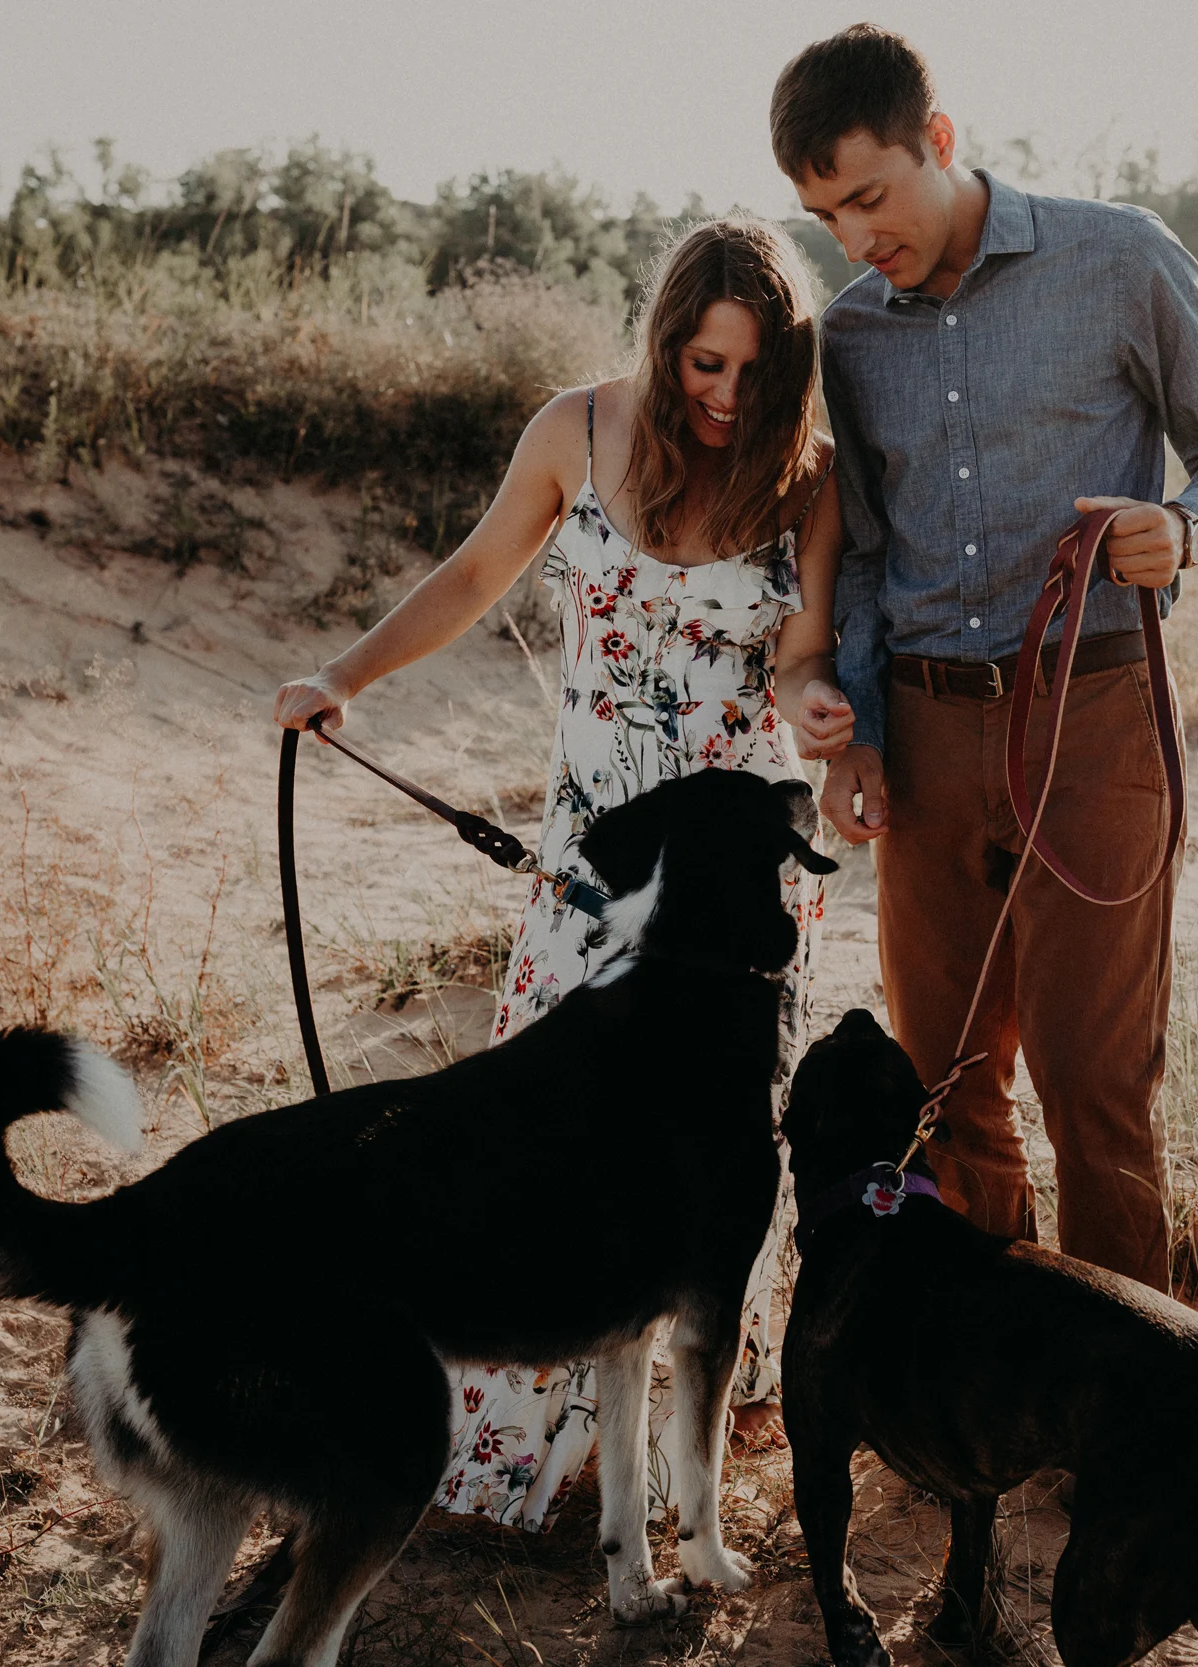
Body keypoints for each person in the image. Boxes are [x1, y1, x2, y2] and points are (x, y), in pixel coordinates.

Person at [273, 216, 850, 1529]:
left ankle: (684, 1440)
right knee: (550, 1134)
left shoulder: (807, 476)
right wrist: (345, 674)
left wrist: (817, 704)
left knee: (712, 1150)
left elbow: (803, 653)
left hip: (733, 884)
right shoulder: (575, 431)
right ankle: (529, 1442)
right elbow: (476, 572)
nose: (728, 395)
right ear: (665, 341)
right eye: (705, 364)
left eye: (755, 371)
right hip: (591, 856)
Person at [770, 26, 1198, 1294]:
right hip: (927, 736)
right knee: (946, 1086)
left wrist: (1186, 526)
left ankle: (1135, 1385)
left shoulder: (1119, 258)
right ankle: (979, 1368)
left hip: (1093, 721)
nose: (855, 238)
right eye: (826, 216)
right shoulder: (851, 335)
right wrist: (860, 735)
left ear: (939, 142)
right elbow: (869, 555)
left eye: (870, 197)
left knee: (1093, 1084)